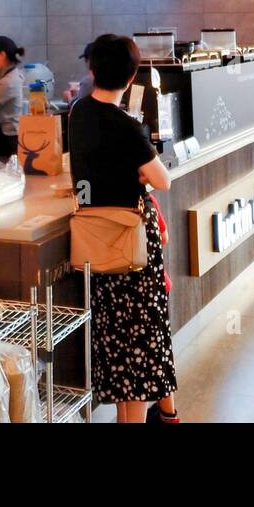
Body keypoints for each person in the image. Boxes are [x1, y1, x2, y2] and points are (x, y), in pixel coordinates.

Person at [69, 34, 178, 423]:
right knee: (140, 344)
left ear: (92, 70)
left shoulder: (77, 112)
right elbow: (161, 180)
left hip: (95, 242)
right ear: (132, 78)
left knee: (116, 344)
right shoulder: (128, 126)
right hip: (132, 244)